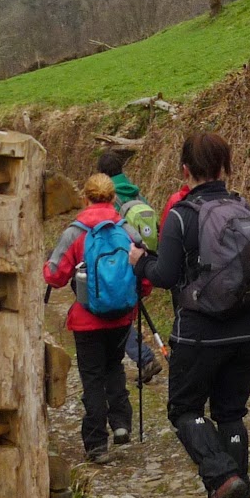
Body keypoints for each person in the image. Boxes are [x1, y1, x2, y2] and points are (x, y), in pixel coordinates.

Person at [130, 133, 250, 498]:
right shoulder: (246, 208)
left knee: (184, 409)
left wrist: (140, 261)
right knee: (230, 412)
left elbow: (165, 275)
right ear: (225, 167)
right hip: (248, 328)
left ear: (185, 170)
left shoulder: (181, 215)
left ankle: (223, 479)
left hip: (200, 332)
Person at [42, 173, 148, 463]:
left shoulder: (74, 233)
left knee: (91, 377)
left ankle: (97, 444)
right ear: (113, 198)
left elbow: (54, 276)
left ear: (85, 199)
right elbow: (145, 269)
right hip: (122, 316)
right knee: (114, 367)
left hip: (87, 320)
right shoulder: (127, 230)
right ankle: (122, 423)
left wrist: (46, 267)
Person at [94, 151, 163, 385]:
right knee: (123, 317)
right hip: (145, 263)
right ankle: (143, 358)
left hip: (119, 265)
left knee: (114, 318)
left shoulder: (107, 194)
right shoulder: (135, 192)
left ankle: (145, 359)